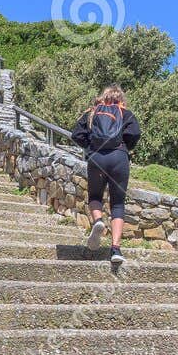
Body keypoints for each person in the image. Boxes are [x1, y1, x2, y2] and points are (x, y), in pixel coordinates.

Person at [71, 85, 141, 265]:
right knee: (117, 203)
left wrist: (90, 147)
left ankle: (98, 221)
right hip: (119, 158)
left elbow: (76, 134)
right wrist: (124, 147)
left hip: (97, 158)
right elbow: (134, 133)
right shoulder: (125, 113)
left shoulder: (92, 112)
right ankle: (116, 249)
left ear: (104, 96)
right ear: (121, 99)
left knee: (95, 195)